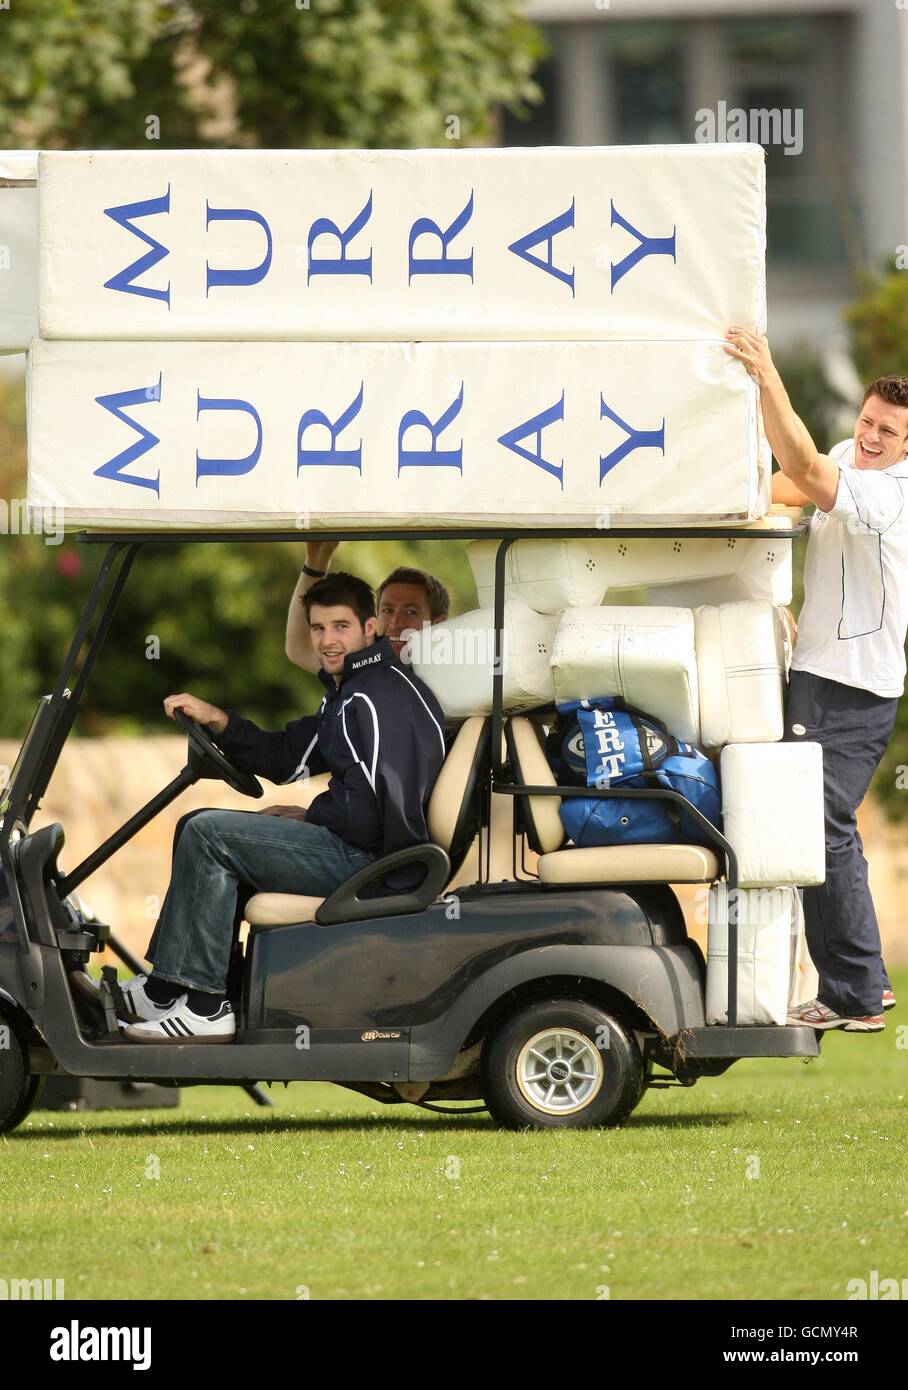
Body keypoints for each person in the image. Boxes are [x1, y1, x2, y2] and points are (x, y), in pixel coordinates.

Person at [76, 573, 446, 1045]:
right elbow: (286, 756)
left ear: (368, 629)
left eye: (340, 627)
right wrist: (220, 720)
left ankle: (207, 1008)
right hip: (366, 849)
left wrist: (309, 817)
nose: (328, 640)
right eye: (318, 629)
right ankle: (169, 991)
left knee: (210, 834)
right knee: (197, 824)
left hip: (377, 864)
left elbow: (376, 813)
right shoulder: (352, 691)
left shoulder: (375, 698)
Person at [725, 328, 907, 1033]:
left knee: (821, 825)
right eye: (866, 422)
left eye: (887, 432)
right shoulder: (847, 460)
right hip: (820, 676)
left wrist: (765, 372)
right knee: (812, 826)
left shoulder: (890, 494)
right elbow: (788, 481)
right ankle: (854, 989)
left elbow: (799, 460)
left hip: (853, 689)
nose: (870, 436)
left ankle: (858, 993)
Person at [285, 541, 450, 671]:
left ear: (437, 624)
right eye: (387, 610)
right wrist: (316, 562)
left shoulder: (456, 671)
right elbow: (299, 650)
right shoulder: (367, 662)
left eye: (410, 612)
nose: (394, 622)